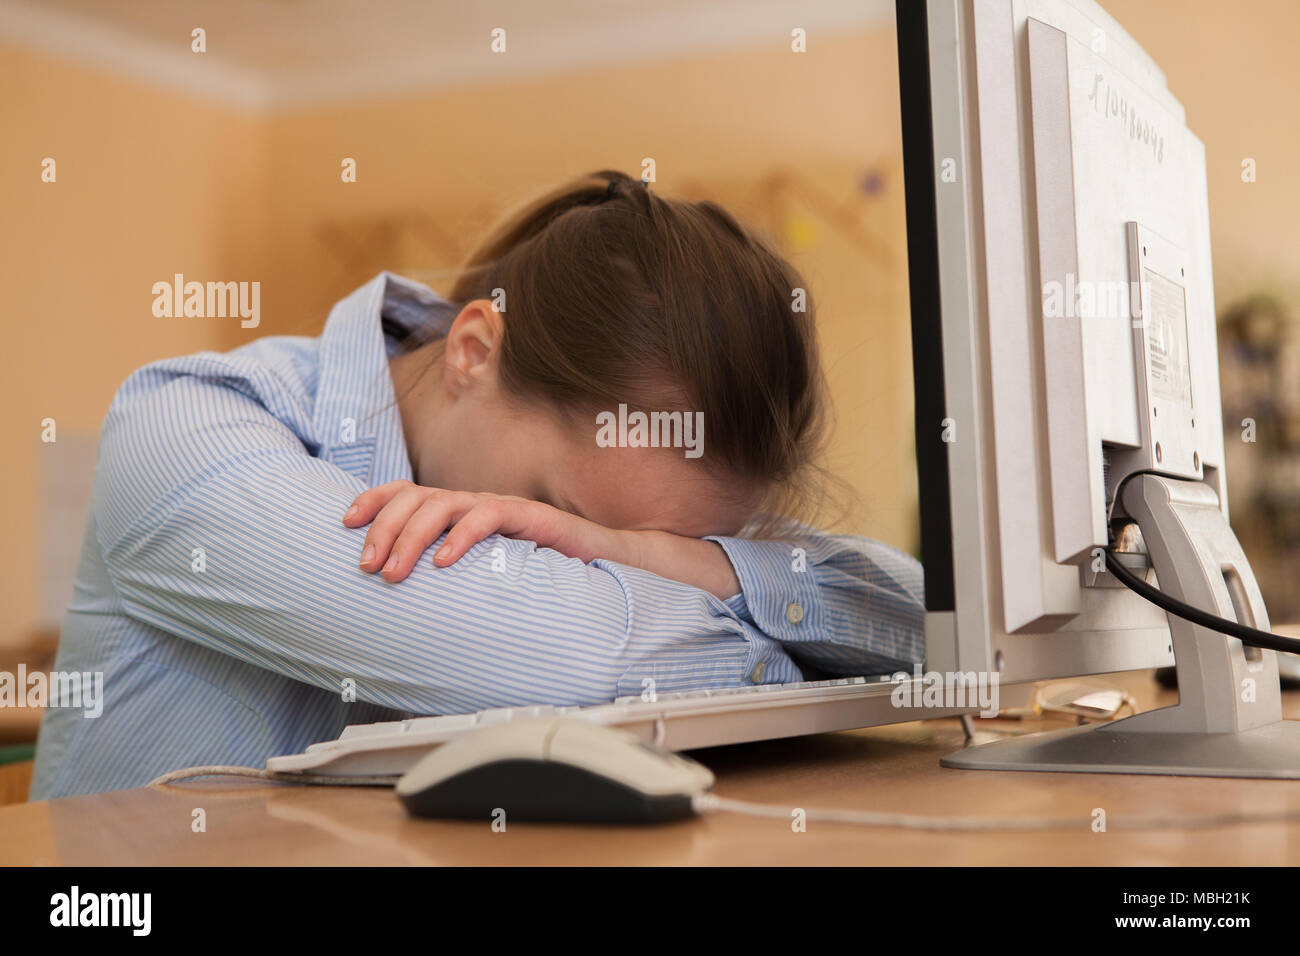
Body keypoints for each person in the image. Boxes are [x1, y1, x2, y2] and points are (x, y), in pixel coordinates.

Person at [30, 170, 924, 798]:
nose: (629, 560)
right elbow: (553, 659)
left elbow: (937, 621)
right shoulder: (184, 425)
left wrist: (664, 558)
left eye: (688, 543)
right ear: (471, 351)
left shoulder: (633, 492)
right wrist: (803, 664)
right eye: (564, 518)